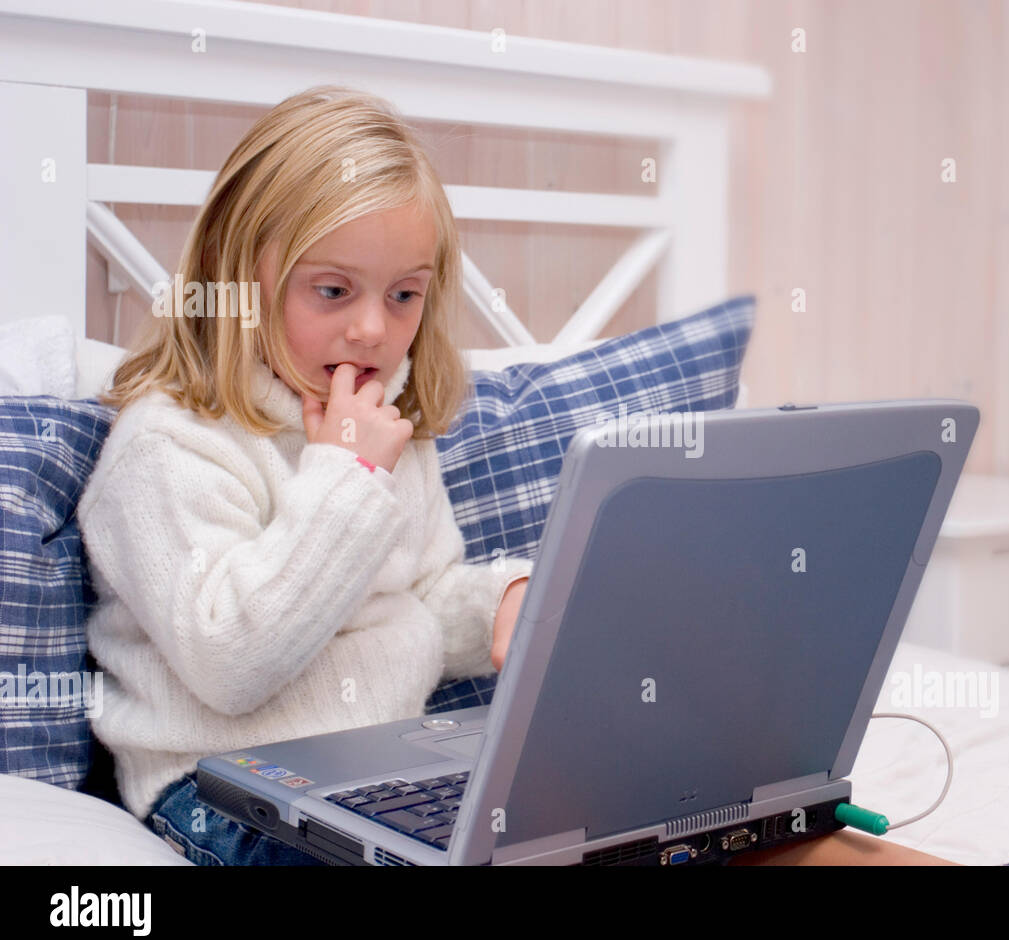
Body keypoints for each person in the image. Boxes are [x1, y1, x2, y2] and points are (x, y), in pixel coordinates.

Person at [80, 85, 952, 867]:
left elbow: (415, 596)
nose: (373, 332)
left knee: (662, 824)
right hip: (225, 797)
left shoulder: (390, 429)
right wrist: (345, 473)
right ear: (238, 277)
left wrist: (502, 603)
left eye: (405, 296)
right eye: (334, 292)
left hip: (380, 770)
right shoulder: (171, 444)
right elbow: (234, 660)